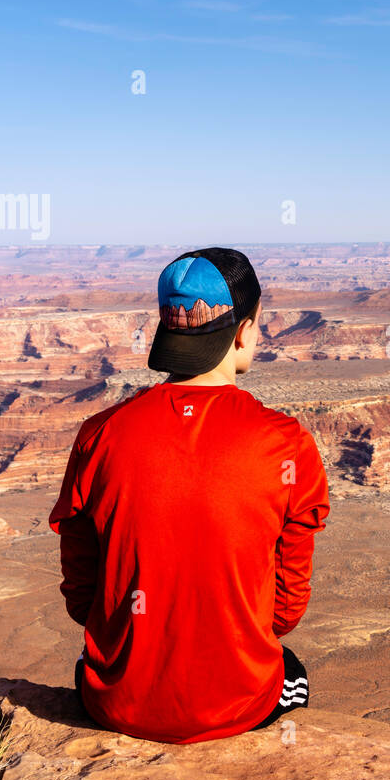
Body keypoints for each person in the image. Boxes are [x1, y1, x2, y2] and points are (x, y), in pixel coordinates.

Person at [48, 247, 329, 742]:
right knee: (293, 671)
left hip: (116, 703)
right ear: (244, 330)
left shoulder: (99, 434)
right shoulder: (286, 443)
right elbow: (285, 610)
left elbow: (81, 595)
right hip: (234, 707)